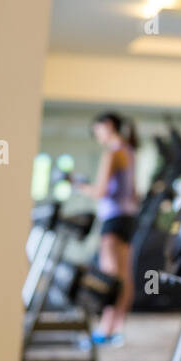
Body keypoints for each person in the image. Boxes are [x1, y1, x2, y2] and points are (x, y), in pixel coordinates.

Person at [76, 111, 139, 346]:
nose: (97, 136)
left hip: (113, 220)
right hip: (128, 219)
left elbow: (100, 192)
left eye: (97, 131)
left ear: (108, 126)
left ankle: (104, 330)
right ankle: (116, 329)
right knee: (124, 278)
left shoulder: (113, 153)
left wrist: (77, 186)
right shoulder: (130, 151)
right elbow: (134, 193)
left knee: (109, 278)